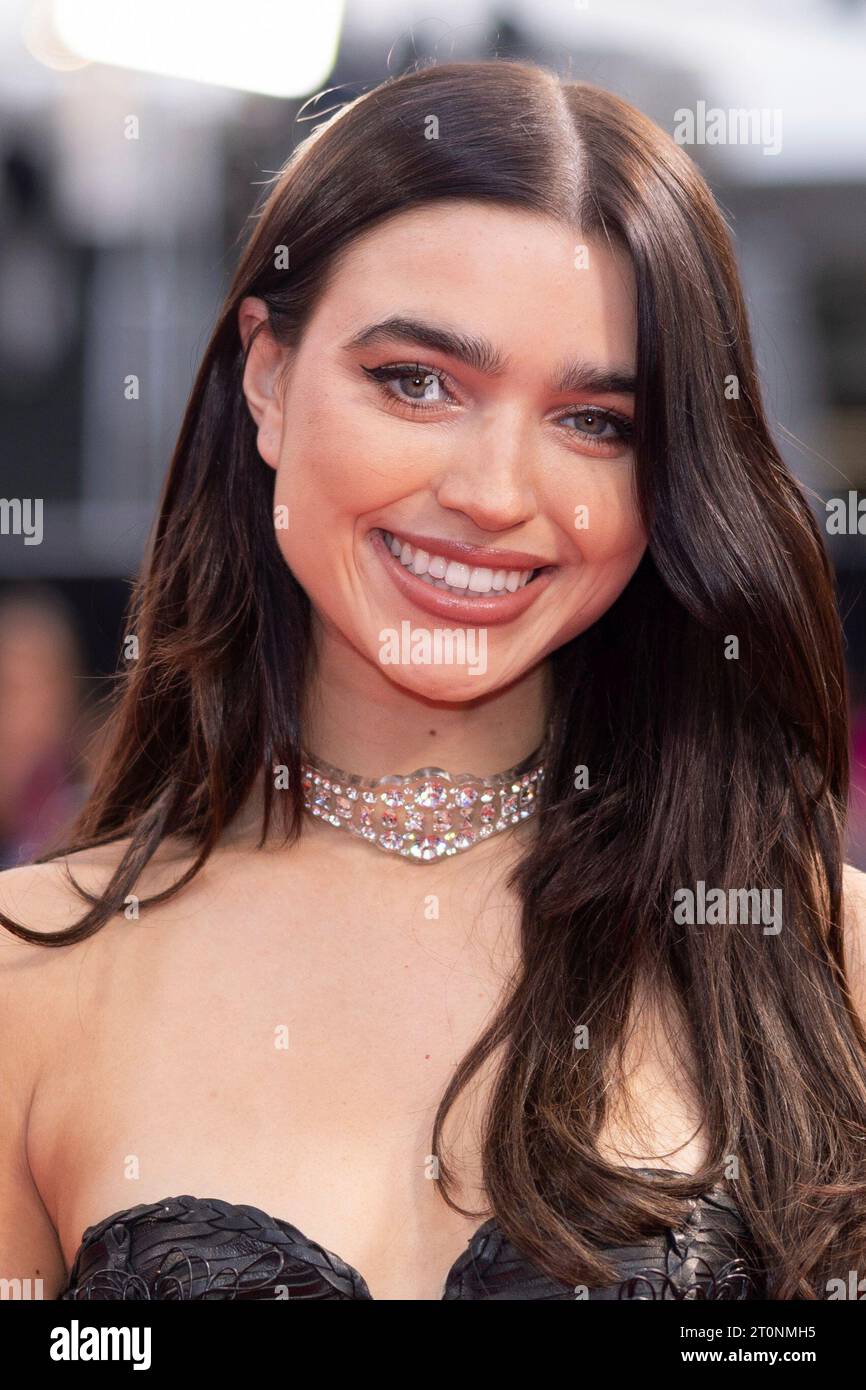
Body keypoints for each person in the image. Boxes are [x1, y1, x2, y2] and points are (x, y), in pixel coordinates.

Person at [2, 57, 865, 1302]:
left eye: (593, 421)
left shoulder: (821, 967)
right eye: (416, 382)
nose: (492, 494)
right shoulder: (30, 984)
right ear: (266, 377)